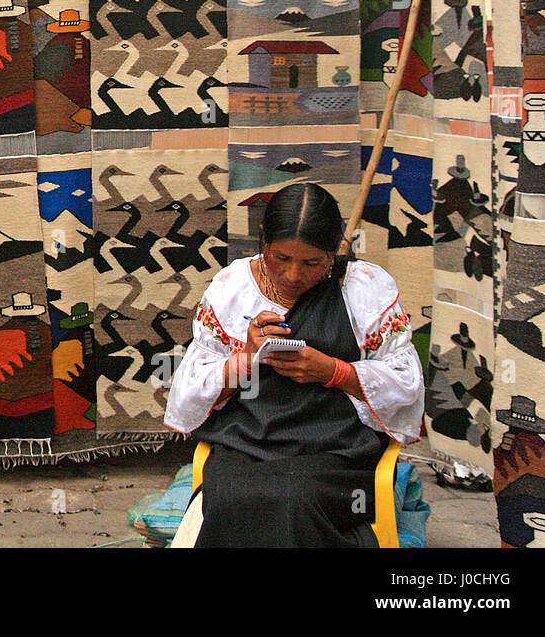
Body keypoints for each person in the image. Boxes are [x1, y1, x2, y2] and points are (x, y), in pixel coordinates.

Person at [164, 182, 424, 546]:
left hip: (337, 450)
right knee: (230, 498)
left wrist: (337, 372)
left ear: (334, 252)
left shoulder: (365, 287)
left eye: (312, 263)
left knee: (292, 499)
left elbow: (406, 383)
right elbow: (190, 387)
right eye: (281, 259)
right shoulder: (231, 288)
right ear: (262, 240)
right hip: (247, 442)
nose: (293, 275)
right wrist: (245, 358)